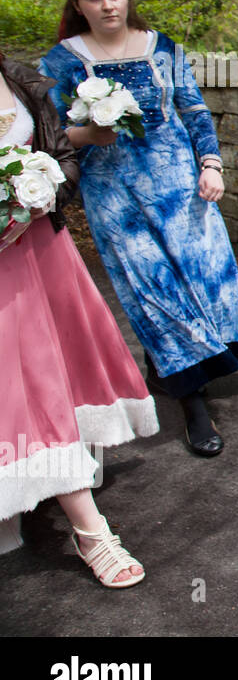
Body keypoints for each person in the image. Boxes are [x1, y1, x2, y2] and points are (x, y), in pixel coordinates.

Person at [39, 0, 238, 458]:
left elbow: (194, 110)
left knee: (201, 279)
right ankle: (194, 404)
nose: (106, 5)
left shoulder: (163, 49)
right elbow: (50, 135)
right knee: (152, 289)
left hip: (179, 186)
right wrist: (89, 132)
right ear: (78, 3)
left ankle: (166, 370)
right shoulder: (60, 63)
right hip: (113, 195)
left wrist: (211, 165)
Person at [0, 49, 158, 586]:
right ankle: (70, 520)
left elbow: (62, 155)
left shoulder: (22, 82)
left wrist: (42, 194)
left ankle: (71, 514)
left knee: (53, 374)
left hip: (42, 249)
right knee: (19, 386)